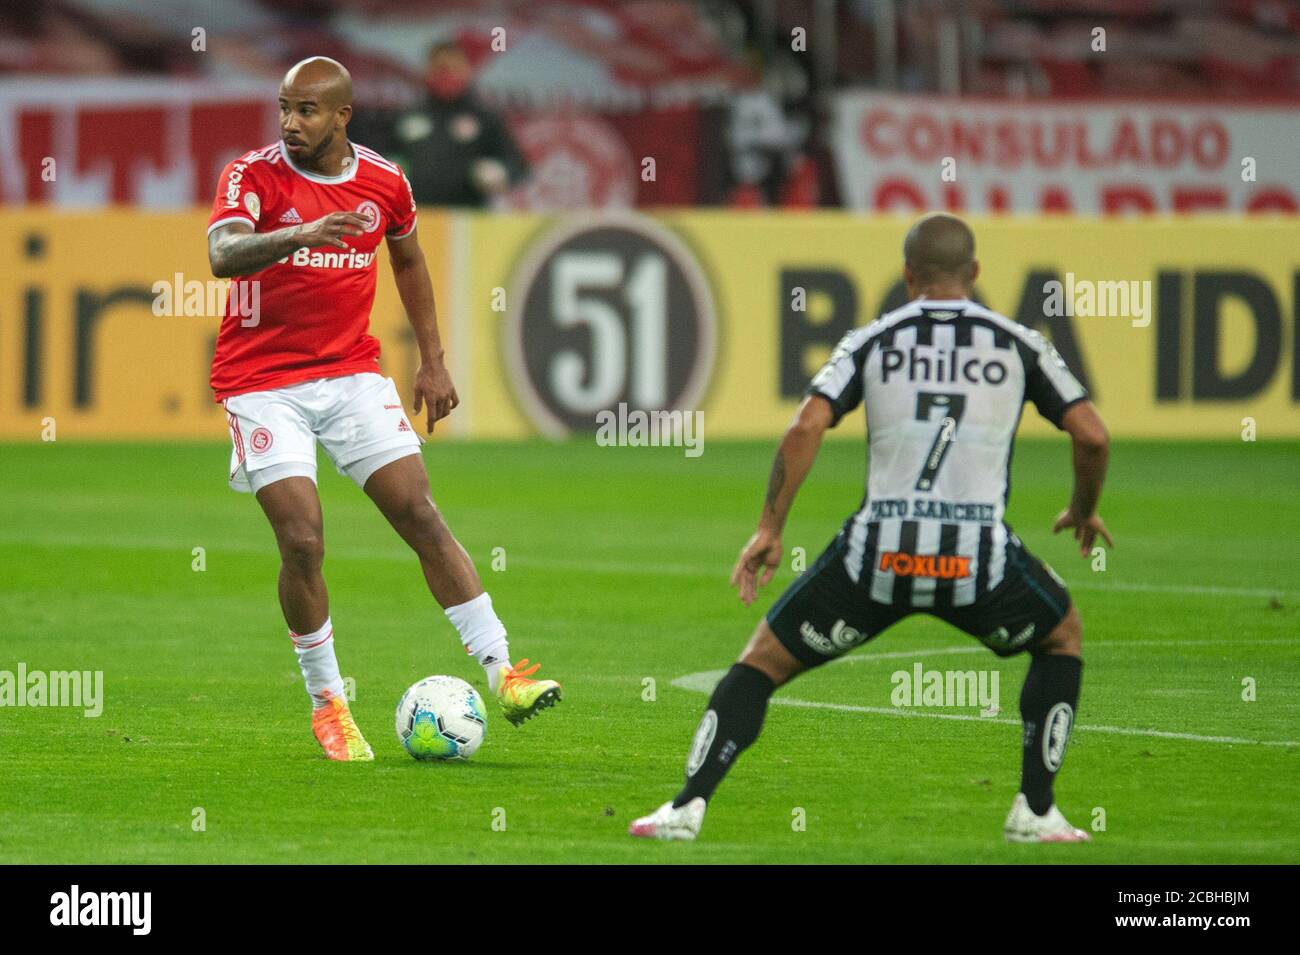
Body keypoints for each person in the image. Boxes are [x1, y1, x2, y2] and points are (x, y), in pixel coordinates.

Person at [630, 213, 1111, 842]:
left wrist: (770, 527)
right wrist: (1081, 506)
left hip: (877, 555)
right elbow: (1092, 436)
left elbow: (805, 426)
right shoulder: (1021, 343)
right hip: (976, 558)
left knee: (761, 663)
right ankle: (1037, 810)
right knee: (1061, 636)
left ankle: (685, 808)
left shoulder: (874, 339)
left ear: (908, 274)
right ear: (975, 274)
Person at [206, 56, 560, 761]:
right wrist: (298, 236)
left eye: (306, 110)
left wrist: (432, 359)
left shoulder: (384, 181)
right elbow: (223, 254)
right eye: (284, 107)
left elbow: (409, 260)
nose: (290, 123)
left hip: (350, 374)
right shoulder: (254, 175)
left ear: (343, 115)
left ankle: (504, 670)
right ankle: (329, 703)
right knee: (303, 540)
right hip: (261, 380)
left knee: (420, 513)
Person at [384, 39, 528, 207]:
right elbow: (384, 155)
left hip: (469, 216)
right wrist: (390, 170)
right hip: (415, 214)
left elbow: (517, 164)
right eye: (440, 69)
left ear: (467, 71)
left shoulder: (484, 118)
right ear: (427, 72)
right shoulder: (406, 116)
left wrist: (500, 172)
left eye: (453, 69)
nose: (446, 76)